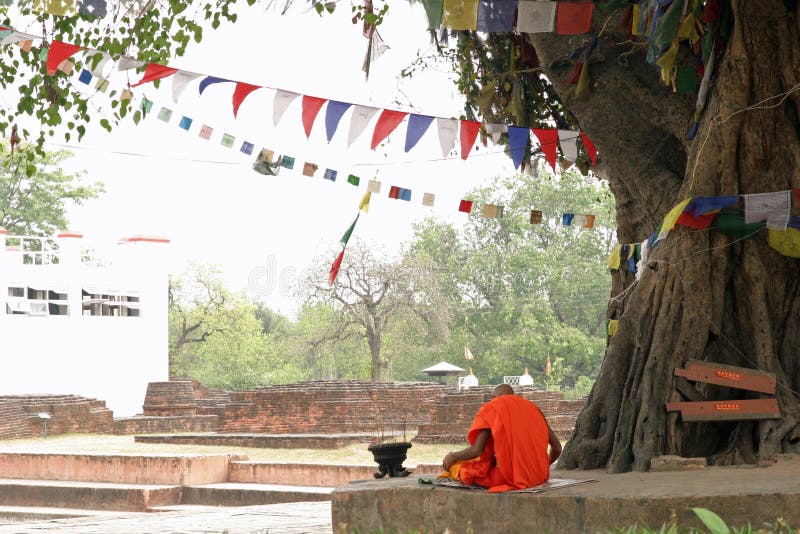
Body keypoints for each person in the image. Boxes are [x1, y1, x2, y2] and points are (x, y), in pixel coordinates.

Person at [440, 383, 562, 493]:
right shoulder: (534, 409)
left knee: (463, 469)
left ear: (494, 398)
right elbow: (557, 448)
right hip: (539, 476)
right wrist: (539, 467)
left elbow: (477, 450)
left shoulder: (493, 408)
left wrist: (453, 456)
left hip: (510, 477)